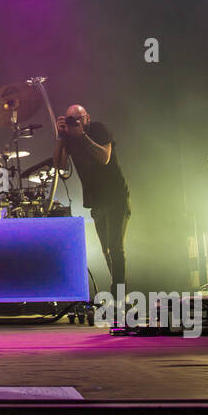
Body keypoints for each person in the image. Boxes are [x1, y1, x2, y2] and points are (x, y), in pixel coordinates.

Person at [55, 104, 130, 291]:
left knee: (115, 246)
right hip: (95, 200)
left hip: (115, 196)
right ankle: (120, 287)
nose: (75, 123)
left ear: (86, 118)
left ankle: (119, 294)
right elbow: (60, 166)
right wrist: (61, 137)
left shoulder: (98, 129)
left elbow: (104, 157)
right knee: (105, 249)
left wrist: (81, 136)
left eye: (78, 119)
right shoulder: (69, 138)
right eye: (70, 119)